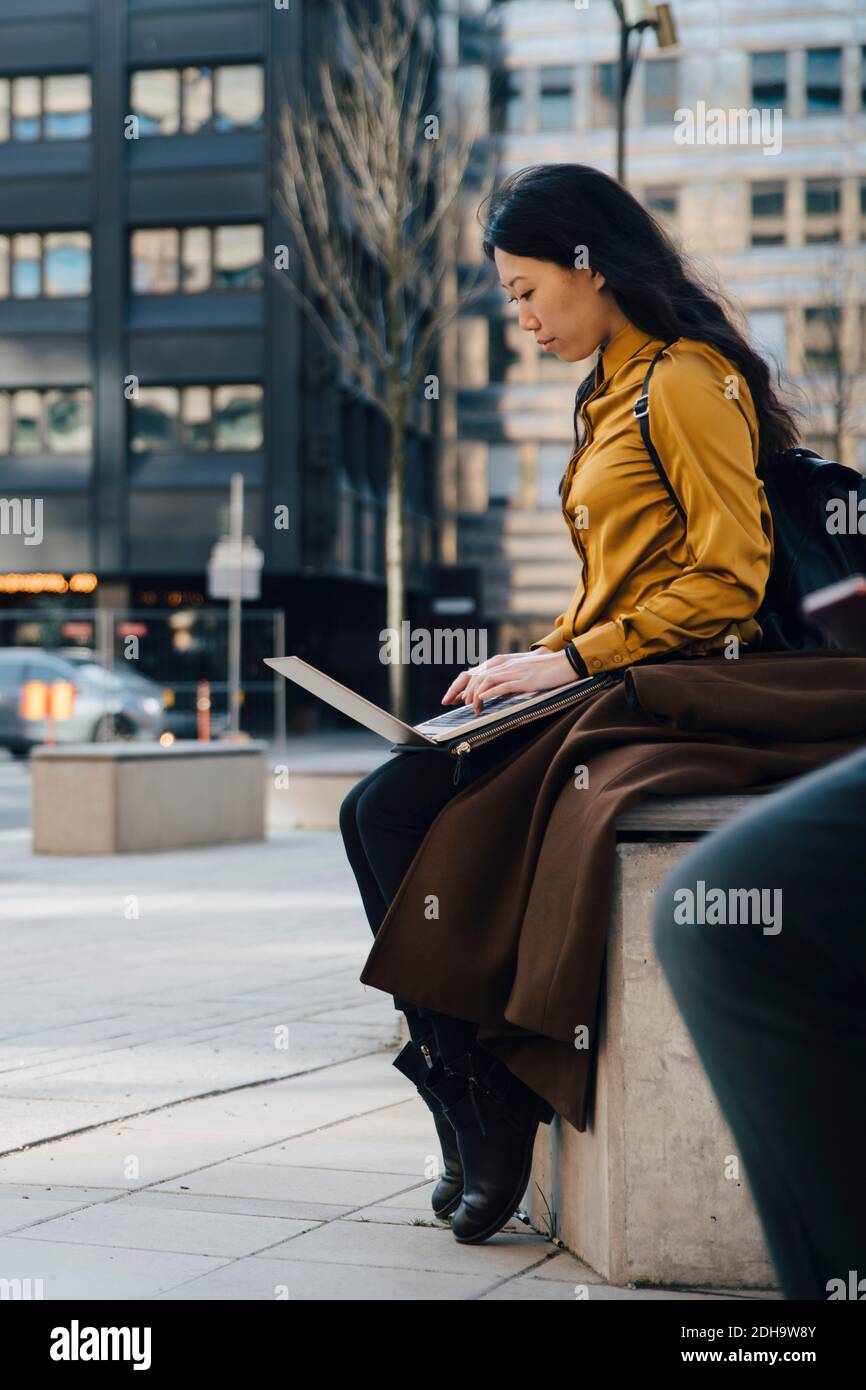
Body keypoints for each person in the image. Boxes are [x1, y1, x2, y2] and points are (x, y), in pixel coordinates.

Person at [339, 161, 809, 1246]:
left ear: (589, 265)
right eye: (505, 296)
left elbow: (728, 578)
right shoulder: (610, 387)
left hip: (668, 687)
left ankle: (479, 1084)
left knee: (391, 809)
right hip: (604, 667)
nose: (519, 316)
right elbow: (623, 577)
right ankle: (463, 1083)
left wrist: (572, 659)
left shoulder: (687, 379)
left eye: (524, 288)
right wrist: (532, 655)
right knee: (382, 807)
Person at [652, 735, 866, 1302]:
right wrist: (557, 649)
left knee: (717, 902)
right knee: (405, 793)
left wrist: (573, 658)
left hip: (705, 676)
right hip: (623, 675)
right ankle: (467, 1085)